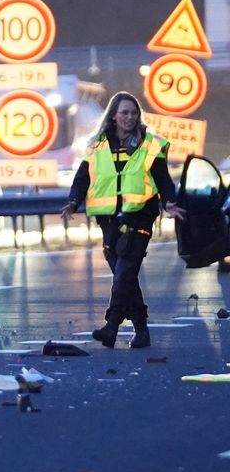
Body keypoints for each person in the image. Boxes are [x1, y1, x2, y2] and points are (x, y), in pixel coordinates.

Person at [60, 91, 186, 349]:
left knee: (125, 270)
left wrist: (168, 202)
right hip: (108, 220)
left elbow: (163, 180)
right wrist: (73, 202)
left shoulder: (149, 145)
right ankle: (141, 330)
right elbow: (82, 179)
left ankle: (111, 325)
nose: (130, 117)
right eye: (124, 113)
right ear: (113, 116)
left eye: (134, 112)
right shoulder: (96, 146)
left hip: (139, 216)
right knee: (124, 275)